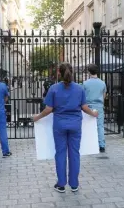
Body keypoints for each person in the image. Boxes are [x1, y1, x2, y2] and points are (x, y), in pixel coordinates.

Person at [33, 62, 98, 193]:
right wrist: (94, 114)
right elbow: (85, 108)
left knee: (60, 153)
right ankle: (74, 184)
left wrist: (37, 117)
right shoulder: (79, 89)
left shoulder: (54, 88)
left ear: (59, 73)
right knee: (74, 154)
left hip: (59, 125)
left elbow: (48, 109)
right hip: (75, 125)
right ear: (72, 72)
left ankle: (61, 184)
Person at [83, 64, 107, 153]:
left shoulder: (85, 83)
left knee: (87, 126)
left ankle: (89, 144)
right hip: (99, 106)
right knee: (100, 126)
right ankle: (101, 145)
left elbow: (83, 96)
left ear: (89, 72)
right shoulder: (102, 83)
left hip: (88, 107)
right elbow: (104, 95)